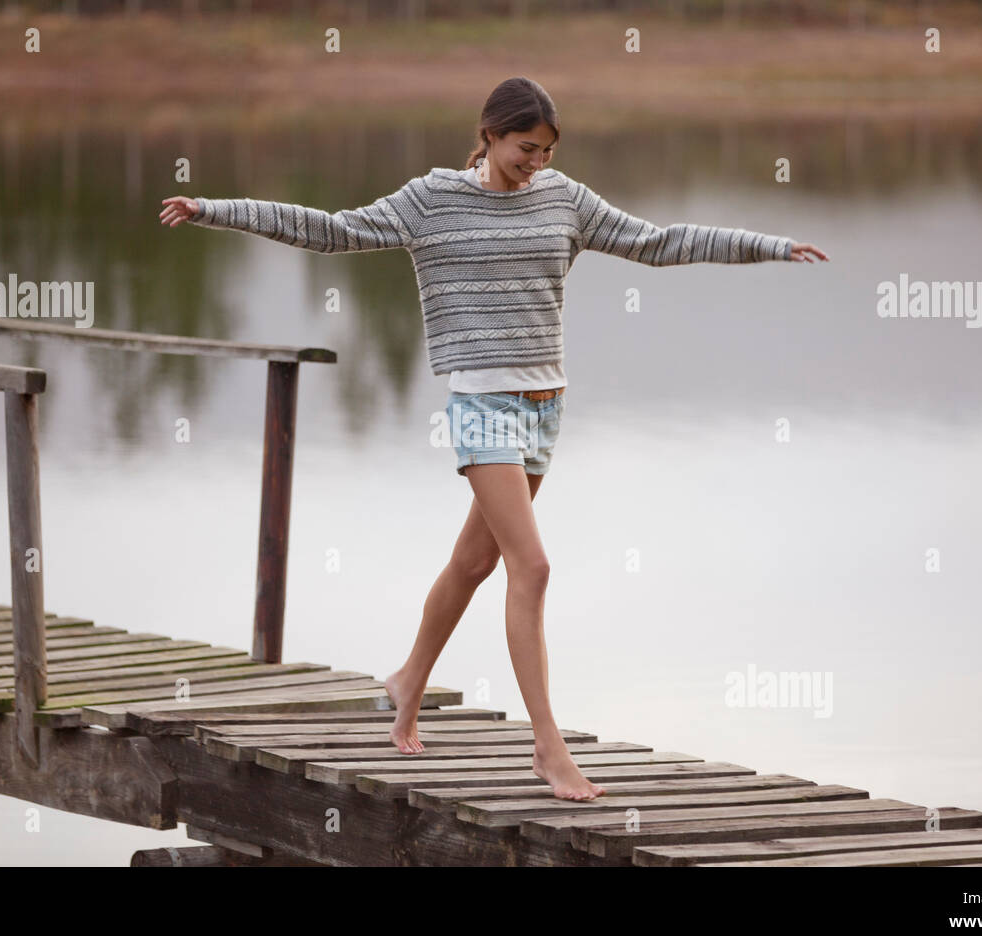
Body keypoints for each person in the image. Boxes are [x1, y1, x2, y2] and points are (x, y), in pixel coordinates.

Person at [160, 76, 828, 801]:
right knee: (532, 568)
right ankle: (548, 747)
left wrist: (768, 244)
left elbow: (659, 242)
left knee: (475, 563)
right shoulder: (431, 201)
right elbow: (331, 228)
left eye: (545, 152)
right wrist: (212, 209)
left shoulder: (564, 199)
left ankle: (408, 679)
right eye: (523, 148)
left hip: (546, 406)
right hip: (481, 405)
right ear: (489, 134)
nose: (533, 163)